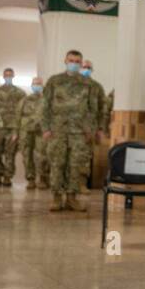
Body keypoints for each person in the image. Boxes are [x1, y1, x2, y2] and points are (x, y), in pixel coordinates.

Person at [42, 49, 102, 212]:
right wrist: (46, 128)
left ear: (81, 64)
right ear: (65, 61)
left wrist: (93, 129)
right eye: (71, 60)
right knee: (57, 164)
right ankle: (56, 197)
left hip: (80, 133)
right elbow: (45, 105)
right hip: (57, 130)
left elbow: (93, 109)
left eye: (77, 62)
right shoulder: (54, 81)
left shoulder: (88, 84)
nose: (74, 64)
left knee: (75, 166)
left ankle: (71, 198)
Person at [0, 68, 26, 186]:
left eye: (10, 75)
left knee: (10, 154)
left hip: (12, 128)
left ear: (13, 76)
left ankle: (7, 177)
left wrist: (18, 131)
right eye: (6, 75)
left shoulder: (20, 93)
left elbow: (22, 112)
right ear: (3, 76)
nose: (8, 77)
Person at [18, 76, 48, 190]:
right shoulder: (25, 100)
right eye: (35, 84)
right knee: (27, 155)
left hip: (41, 131)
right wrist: (16, 132)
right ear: (31, 85)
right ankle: (30, 179)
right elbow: (18, 116)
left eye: (39, 84)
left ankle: (42, 178)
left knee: (42, 155)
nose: (37, 86)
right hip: (26, 131)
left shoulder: (46, 100)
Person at [81, 59, 112, 138]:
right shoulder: (69, 85)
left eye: (89, 68)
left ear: (92, 70)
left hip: (90, 130)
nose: (86, 69)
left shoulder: (97, 87)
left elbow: (102, 109)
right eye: (84, 67)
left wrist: (101, 128)